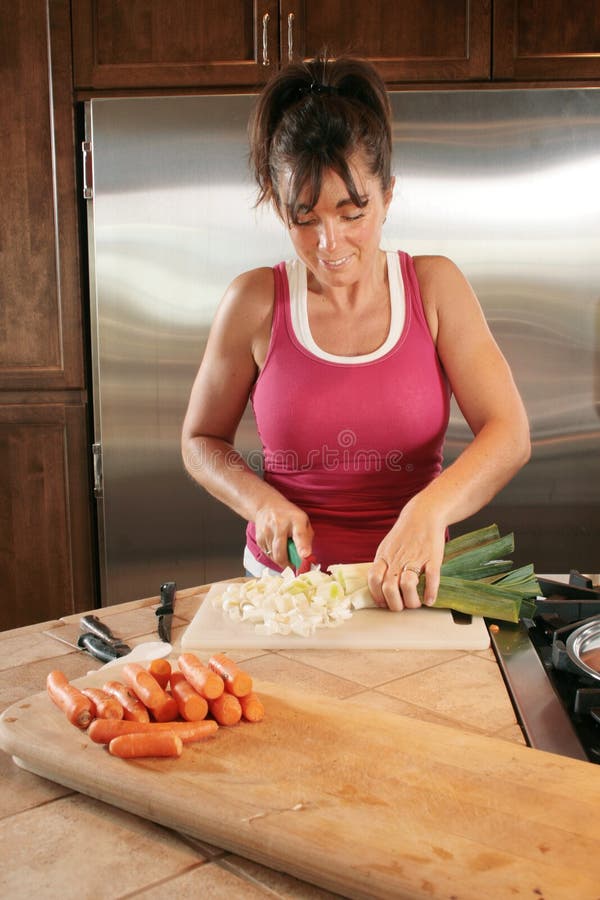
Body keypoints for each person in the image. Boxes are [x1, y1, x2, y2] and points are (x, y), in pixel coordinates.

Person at [181, 55, 530, 612]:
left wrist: (429, 510)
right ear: (279, 207)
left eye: (351, 214)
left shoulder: (435, 288)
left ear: (387, 194)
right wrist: (260, 502)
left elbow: (509, 433)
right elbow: (201, 442)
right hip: (286, 595)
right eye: (305, 218)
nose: (329, 243)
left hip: (408, 590)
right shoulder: (253, 302)